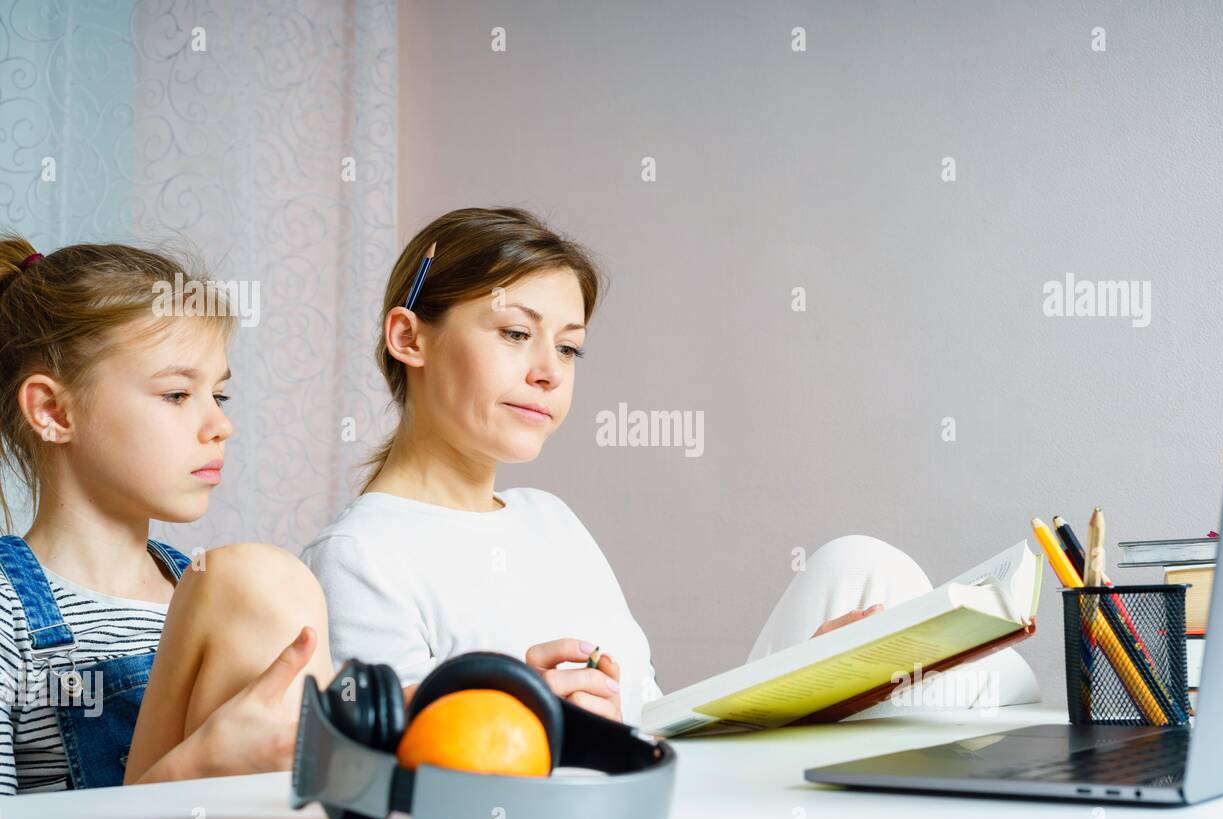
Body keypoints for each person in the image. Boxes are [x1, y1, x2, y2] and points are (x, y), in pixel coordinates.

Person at [303, 208, 1039, 728]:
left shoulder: (548, 519)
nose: (548, 372)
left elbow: (648, 712)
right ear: (410, 338)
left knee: (862, 565)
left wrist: (809, 679)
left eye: (568, 347)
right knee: (977, 685)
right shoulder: (360, 557)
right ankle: (1018, 704)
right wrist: (528, 710)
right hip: (581, 810)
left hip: (662, 760)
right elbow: (391, 766)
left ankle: (985, 699)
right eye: (516, 333)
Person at [0, 235, 333, 795]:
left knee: (257, 580)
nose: (219, 426)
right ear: (53, 410)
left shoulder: (213, 590)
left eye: (218, 396)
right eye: (177, 394)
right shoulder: (9, 610)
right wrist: (190, 772)